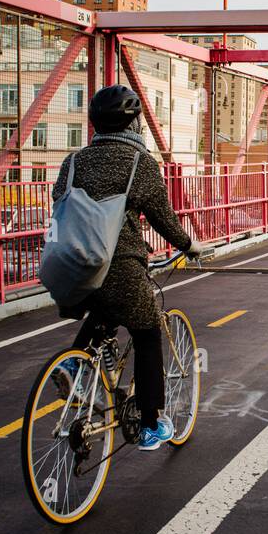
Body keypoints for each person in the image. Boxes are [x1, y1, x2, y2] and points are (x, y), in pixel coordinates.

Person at [52, 84, 204, 451]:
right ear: (135, 123)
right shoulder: (139, 163)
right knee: (147, 331)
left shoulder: (73, 162)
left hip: (68, 262)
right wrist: (190, 245)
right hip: (120, 265)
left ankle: (72, 367)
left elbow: (61, 203)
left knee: (103, 304)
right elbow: (162, 218)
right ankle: (152, 423)